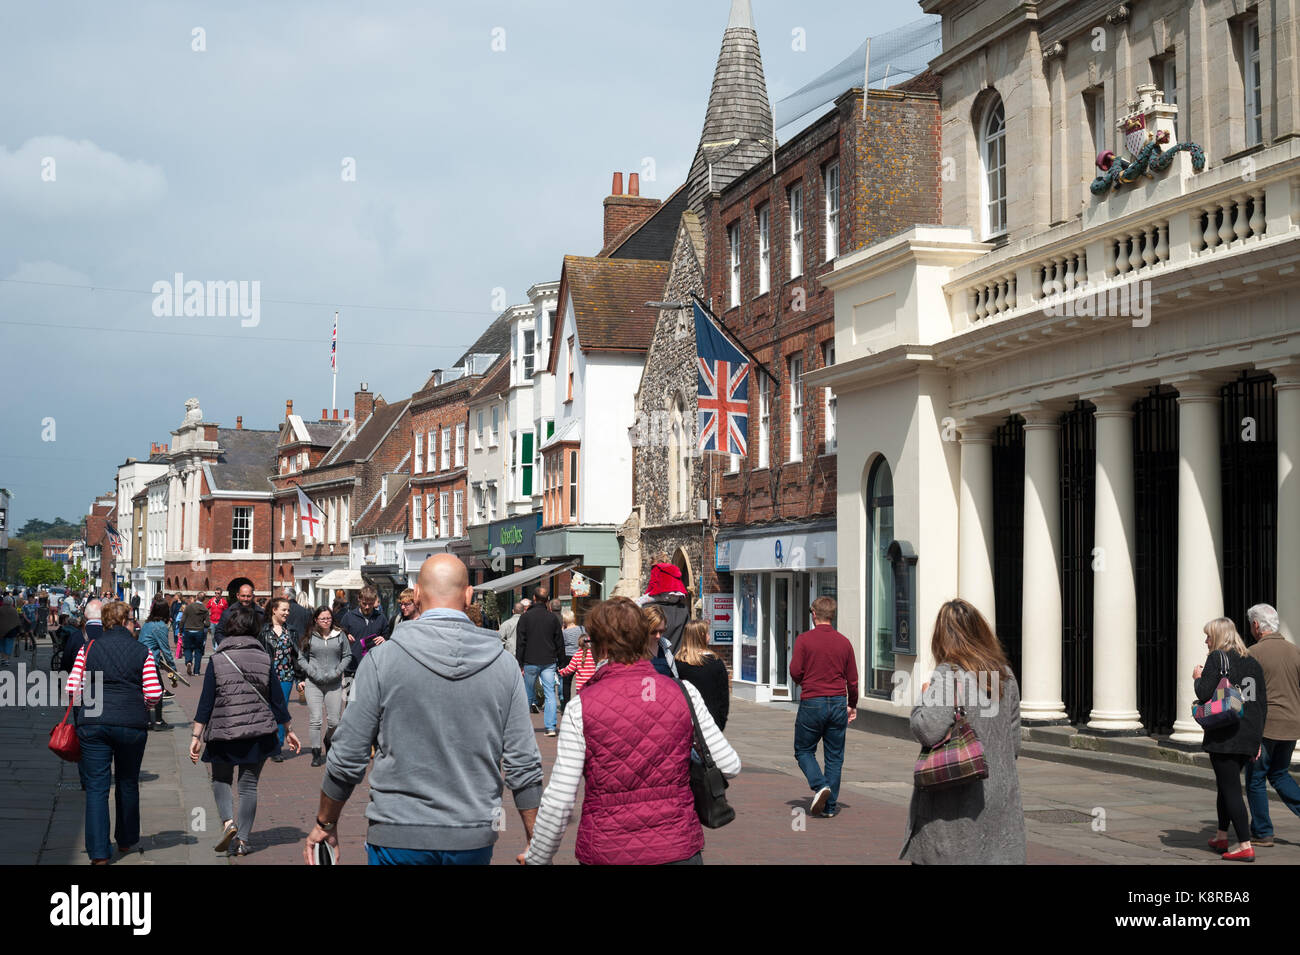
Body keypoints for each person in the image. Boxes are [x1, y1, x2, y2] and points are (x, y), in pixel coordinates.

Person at [304, 554, 543, 866]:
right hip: (472, 834)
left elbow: (348, 753)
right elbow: (523, 762)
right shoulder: (504, 665)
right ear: (469, 595)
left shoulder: (380, 661)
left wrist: (326, 823)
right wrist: (535, 839)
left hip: (397, 830)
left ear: (415, 595)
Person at [521, 597, 740, 865]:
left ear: (600, 647)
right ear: (644, 639)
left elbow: (560, 799)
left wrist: (538, 857)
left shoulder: (581, 707)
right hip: (677, 846)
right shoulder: (684, 693)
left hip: (609, 848)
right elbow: (729, 764)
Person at [901, 598, 1024, 865]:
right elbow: (1014, 745)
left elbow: (927, 729)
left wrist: (924, 698)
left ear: (941, 637)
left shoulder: (949, 674)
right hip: (1000, 796)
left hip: (957, 798)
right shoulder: (1005, 676)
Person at [189, 604, 300, 857]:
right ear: (254, 630)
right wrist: (289, 729)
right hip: (258, 732)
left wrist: (196, 736)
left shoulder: (217, 659)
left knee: (221, 779)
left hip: (224, 730)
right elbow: (276, 700)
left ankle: (228, 823)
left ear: (229, 629)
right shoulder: (264, 657)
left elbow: (206, 701)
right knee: (249, 786)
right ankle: (243, 840)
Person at [65, 601, 162, 863]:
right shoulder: (143, 651)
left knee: (97, 787)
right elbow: (153, 693)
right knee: (128, 781)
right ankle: (126, 840)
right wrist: (143, 705)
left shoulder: (88, 648)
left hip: (94, 723)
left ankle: (98, 853)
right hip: (131, 722)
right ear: (125, 621)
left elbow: (72, 688)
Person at [1196, 616, 1267, 861]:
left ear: (1218, 636)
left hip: (1225, 733)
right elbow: (1260, 705)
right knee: (1225, 786)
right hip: (1247, 733)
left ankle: (1244, 845)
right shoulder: (1253, 662)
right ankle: (1221, 835)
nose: (1206, 641)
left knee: (1231, 789)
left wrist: (1198, 677)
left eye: (1208, 635)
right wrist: (1257, 740)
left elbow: (1204, 693)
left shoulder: (1217, 658)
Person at [790, 596, 856, 816]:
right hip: (838, 701)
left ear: (814, 615)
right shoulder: (844, 642)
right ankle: (829, 807)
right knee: (834, 756)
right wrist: (852, 704)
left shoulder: (804, 640)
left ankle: (820, 785)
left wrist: (805, 682)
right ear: (832, 616)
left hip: (813, 701)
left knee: (803, 750)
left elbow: (795, 671)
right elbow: (853, 680)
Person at [1244, 603, 1300, 846]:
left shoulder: (1252, 653)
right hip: (1291, 724)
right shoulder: (1295, 651)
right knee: (1279, 773)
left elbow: (1247, 696)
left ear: (1256, 625)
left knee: (1256, 778)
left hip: (1265, 726)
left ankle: (1263, 831)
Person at [297, 606, 349, 767]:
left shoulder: (340, 635)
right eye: (323, 619)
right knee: (316, 720)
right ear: (316, 620)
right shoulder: (310, 636)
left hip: (333, 683)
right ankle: (316, 752)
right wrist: (312, 672)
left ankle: (328, 739)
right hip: (314, 683)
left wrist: (337, 671)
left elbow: (347, 655)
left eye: (329, 618)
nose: (326, 621)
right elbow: (301, 658)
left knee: (334, 721)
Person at [516, 587, 565, 735]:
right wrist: (562, 662)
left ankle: (524, 727)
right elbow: (559, 642)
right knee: (550, 693)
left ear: (534, 598)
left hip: (530, 660)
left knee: (527, 694)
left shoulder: (525, 618)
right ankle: (550, 727)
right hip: (548, 660)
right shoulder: (552, 618)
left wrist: (520, 662)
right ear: (547, 600)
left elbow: (521, 642)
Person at [260, 597, 300, 762]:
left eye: (288, 610)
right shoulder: (263, 631)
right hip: (267, 676)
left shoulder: (291, 631)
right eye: (283, 609)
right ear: (274, 610)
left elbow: (297, 656)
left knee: (281, 710)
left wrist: (300, 678)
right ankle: (264, 744)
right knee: (266, 710)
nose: (287, 613)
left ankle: (277, 747)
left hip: (285, 676)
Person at [676, 619, 730, 731]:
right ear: (701, 636)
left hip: (685, 719)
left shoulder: (678, 662)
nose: (709, 636)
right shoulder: (715, 662)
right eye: (708, 633)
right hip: (711, 720)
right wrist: (721, 721)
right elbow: (723, 696)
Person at [138, 599, 174, 730]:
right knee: (159, 690)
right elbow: (165, 650)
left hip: (141, 659)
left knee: (145, 690)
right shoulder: (160, 626)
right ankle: (158, 722)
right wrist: (173, 671)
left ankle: (147, 721)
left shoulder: (148, 623)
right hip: (150, 662)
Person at [215, 583, 262, 648]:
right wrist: (227, 646)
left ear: (253, 596)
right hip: (233, 650)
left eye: (248, 596)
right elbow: (219, 633)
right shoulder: (228, 613)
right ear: (238, 595)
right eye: (243, 596)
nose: (246, 599)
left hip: (255, 651)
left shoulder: (261, 613)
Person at [64, 598, 103, 671]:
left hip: (82, 679)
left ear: (85, 614)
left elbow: (66, 663)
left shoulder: (75, 636)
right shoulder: (110, 635)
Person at [559, 609, 585, 706]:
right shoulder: (582, 629)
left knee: (567, 682)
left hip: (568, 656)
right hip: (581, 655)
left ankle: (566, 704)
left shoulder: (565, 633)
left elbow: (562, 645)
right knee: (582, 679)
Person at [558, 631, 597, 695]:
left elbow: (569, 669)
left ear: (579, 644)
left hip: (581, 688)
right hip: (593, 686)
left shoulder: (577, 655)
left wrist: (561, 671)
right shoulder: (594, 655)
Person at [180, 594, 208, 676]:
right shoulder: (205, 609)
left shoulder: (189, 607)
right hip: (199, 631)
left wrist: (180, 630)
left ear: (196, 597)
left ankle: (188, 661)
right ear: (203, 599)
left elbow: (182, 620)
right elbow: (208, 623)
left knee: (187, 648)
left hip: (188, 630)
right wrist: (202, 624)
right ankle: (196, 671)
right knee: (198, 651)